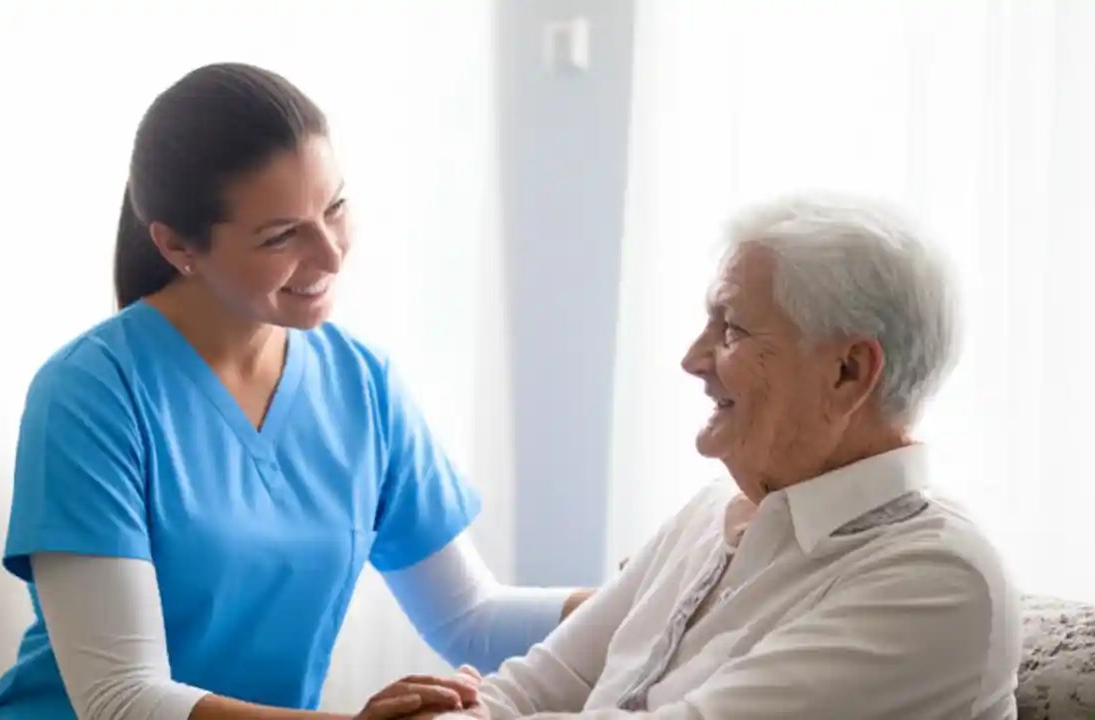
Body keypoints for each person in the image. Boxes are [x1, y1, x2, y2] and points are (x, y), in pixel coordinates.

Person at [0, 62, 593, 720]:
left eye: (335, 208)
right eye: (280, 236)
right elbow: (121, 699)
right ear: (178, 245)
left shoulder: (361, 384)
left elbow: (473, 619)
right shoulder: (91, 393)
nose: (331, 254)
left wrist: (657, 591)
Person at [426, 196, 1023, 720]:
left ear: (848, 373)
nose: (693, 358)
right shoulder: (714, 511)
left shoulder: (940, 581)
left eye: (731, 328)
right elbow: (538, 684)